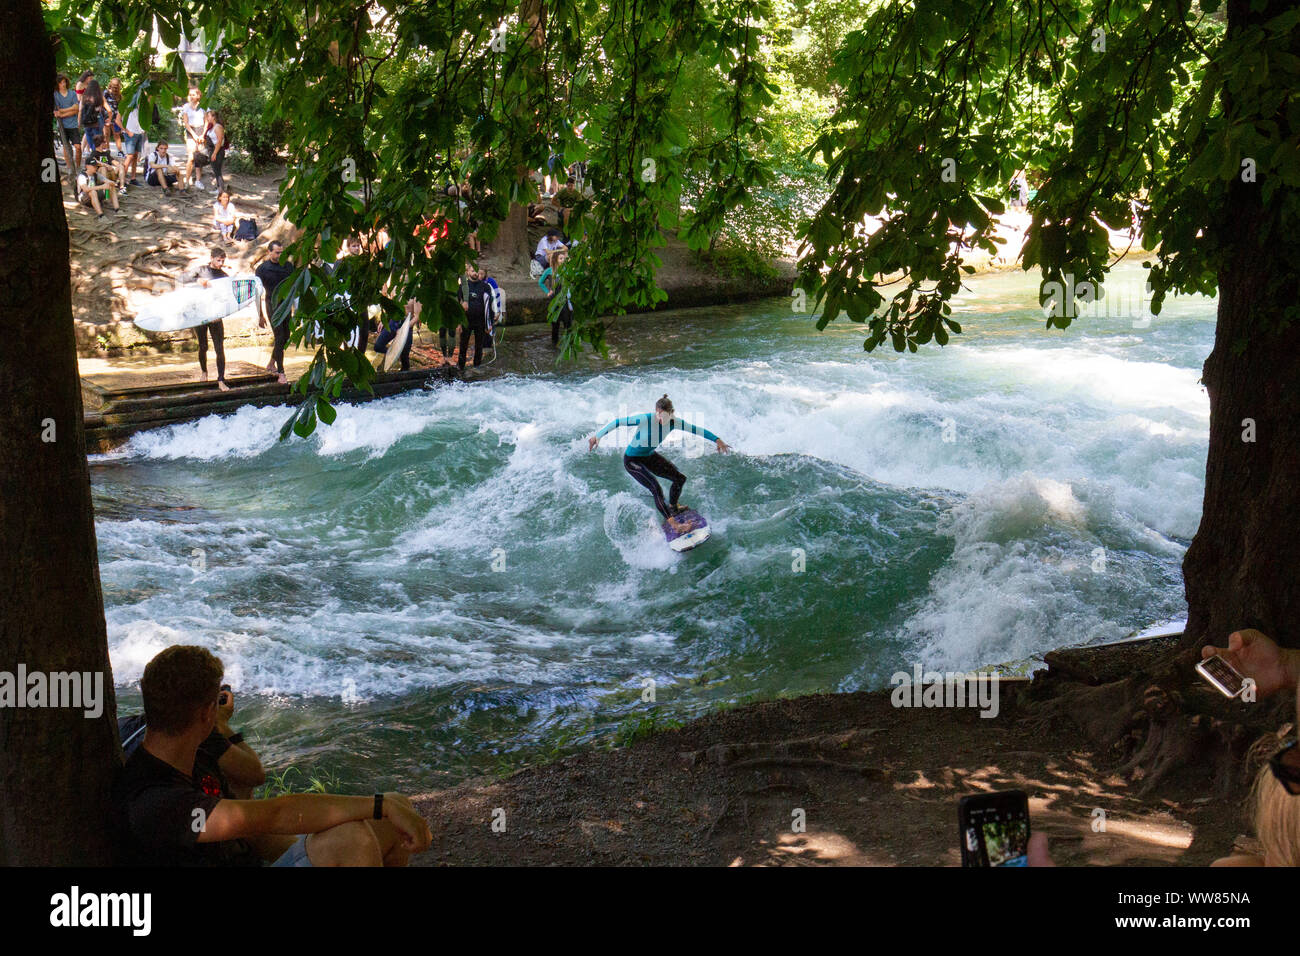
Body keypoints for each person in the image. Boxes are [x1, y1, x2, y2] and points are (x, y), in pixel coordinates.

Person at [111, 645, 432, 866]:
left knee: (386, 820)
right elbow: (275, 813)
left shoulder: (190, 750)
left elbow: (253, 802)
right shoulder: (157, 801)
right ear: (207, 712)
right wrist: (379, 805)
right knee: (351, 839)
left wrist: (380, 812)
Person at [588, 394, 731, 530]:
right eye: (658, 415)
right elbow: (618, 422)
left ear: (671, 413)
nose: (660, 420)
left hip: (649, 456)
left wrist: (718, 440)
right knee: (656, 488)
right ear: (655, 411)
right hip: (632, 460)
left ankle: (674, 507)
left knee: (679, 478)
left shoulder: (675, 422)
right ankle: (674, 525)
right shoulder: (646, 418)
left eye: (664, 416)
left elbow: (696, 430)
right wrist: (597, 436)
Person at [184, 248, 230, 391]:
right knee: (203, 346)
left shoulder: (224, 275)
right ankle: (204, 371)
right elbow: (183, 278)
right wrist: (198, 280)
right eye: (218, 260)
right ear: (211, 258)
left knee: (219, 348)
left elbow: (227, 297)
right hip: (200, 315)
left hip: (216, 315)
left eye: (223, 261)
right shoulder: (201, 270)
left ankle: (221, 379)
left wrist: (220, 313)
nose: (221, 263)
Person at [255, 240, 295, 384]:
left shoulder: (288, 266)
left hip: (285, 304)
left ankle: (272, 362)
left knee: (286, 337)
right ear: (269, 252)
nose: (280, 255)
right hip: (271, 304)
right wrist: (260, 315)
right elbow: (257, 293)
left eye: (282, 252)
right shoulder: (262, 269)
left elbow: (294, 287)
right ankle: (281, 372)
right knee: (279, 336)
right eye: (277, 252)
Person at [458, 266, 492, 371]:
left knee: (479, 345)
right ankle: (461, 366)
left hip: (480, 320)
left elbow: (489, 305)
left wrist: (489, 323)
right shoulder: (463, 287)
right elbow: (458, 305)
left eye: (477, 271)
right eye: (473, 271)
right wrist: (458, 323)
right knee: (463, 344)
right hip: (466, 320)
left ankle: (477, 365)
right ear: (468, 272)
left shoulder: (485, 287)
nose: (475, 273)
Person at [53, 73, 81, 195]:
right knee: (66, 147)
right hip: (63, 126)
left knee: (78, 147)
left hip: (73, 125)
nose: (63, 84)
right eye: (60, 82)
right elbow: (57, 111)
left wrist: (63, 113)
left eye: (64, 82)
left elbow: (76, 109)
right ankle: (70, 168)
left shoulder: (72, 94)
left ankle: (78, 167)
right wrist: (69, 110)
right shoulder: (55, 95)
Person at [541, 247, 574, 347]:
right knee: (555, 325)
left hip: (565, 299)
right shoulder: (549, 271)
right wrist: (547, 291)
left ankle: (570, 345)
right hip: (554, 300)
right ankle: (554, 344)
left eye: (564, 258)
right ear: (556, 260)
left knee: (568, 323)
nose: (563, 260)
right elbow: (540, 282)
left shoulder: (567, 270)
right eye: (561, 258)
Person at [179, 86, 210, 189]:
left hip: (201, 131)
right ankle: (187, 180)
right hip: (191, 131)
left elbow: (206, 122)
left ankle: (198, 180)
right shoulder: (186, 107)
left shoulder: (204, 106)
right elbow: (186, 123)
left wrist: (202, 134)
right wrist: (194, 135)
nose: (191, 97)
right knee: (191, 157)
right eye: (190, 95)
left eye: (193, 95)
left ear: (198, 95)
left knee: (199, 157)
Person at [204, 109, 230, 193]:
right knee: (216, 171)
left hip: (218, 151)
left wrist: (214, 153)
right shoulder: (212, 127)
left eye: (209, 116)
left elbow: (219, 141)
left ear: (214, 117)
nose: (207, 118)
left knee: (218, 171)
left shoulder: (218, 127)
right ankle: (218, 189)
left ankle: (221, 190)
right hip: (212, 150)